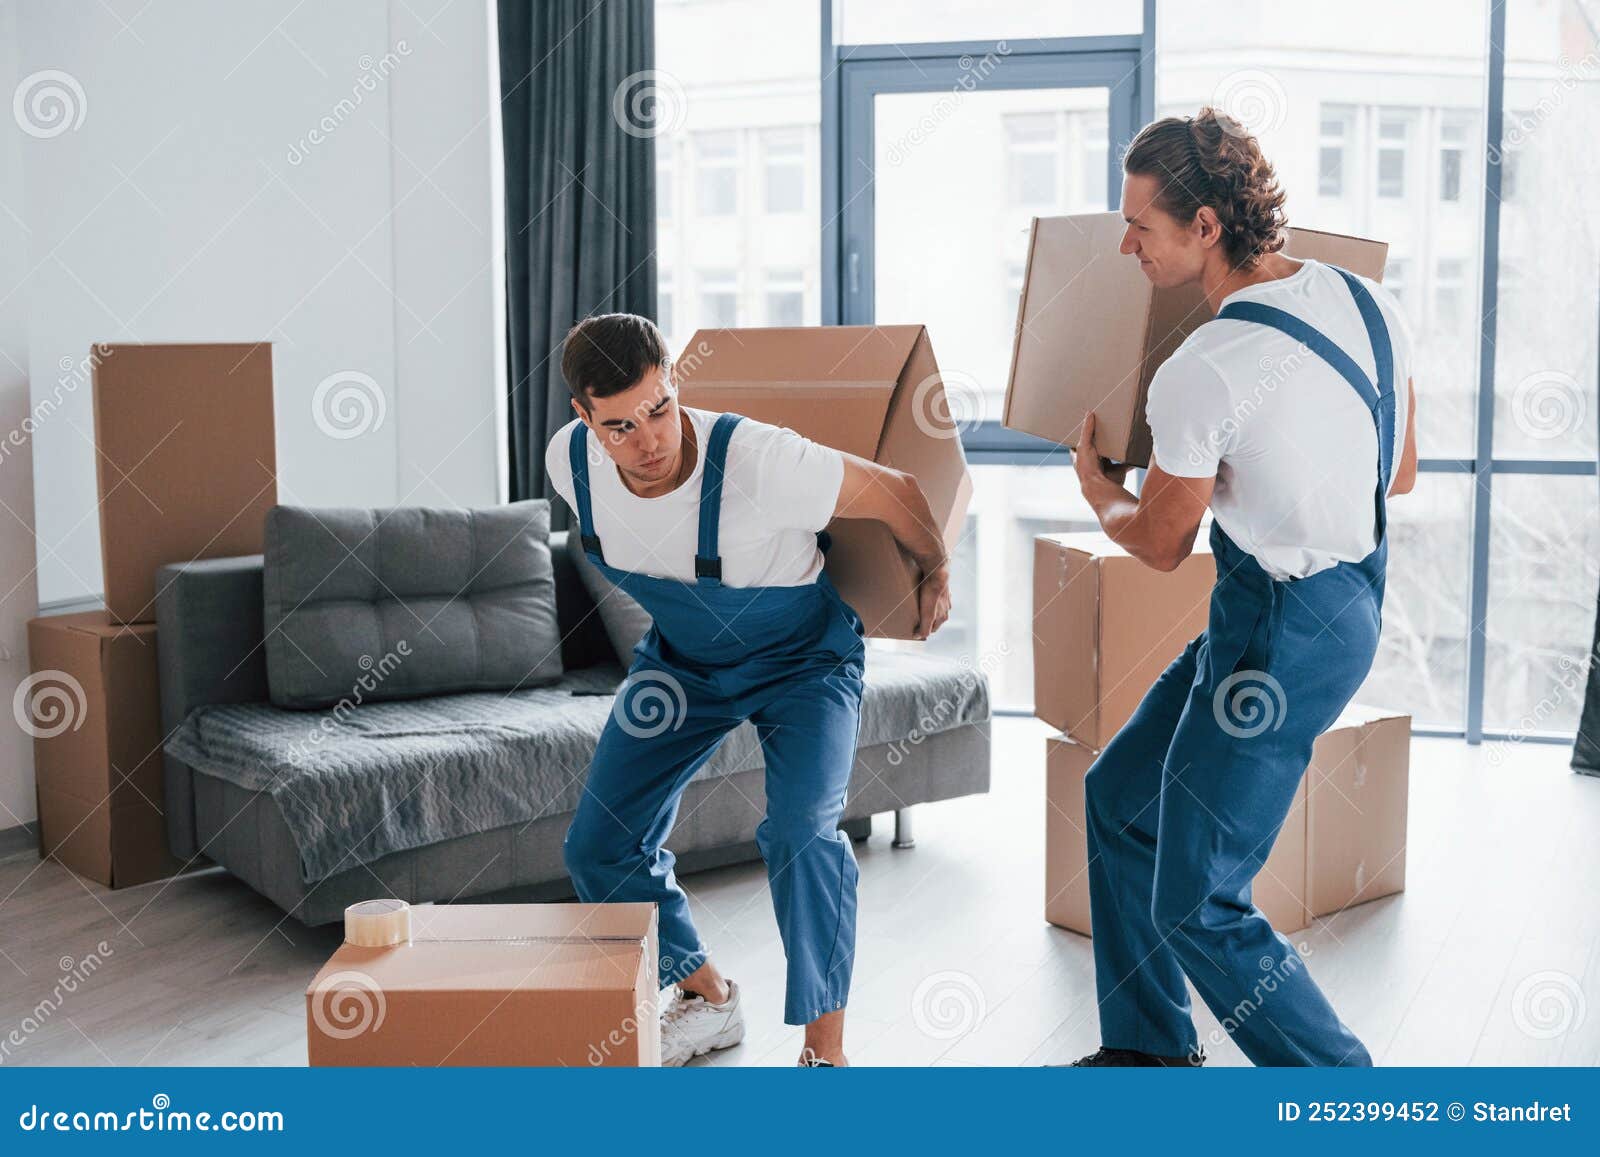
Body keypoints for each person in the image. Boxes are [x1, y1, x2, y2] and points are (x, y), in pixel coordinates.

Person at [1066, 107, 1419, 1067]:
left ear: (1207, 226)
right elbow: (1401, 472)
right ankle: (1148, 1056)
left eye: (1141, 223)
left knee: (1198, 896)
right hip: (1343, 600)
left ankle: (1346, 1096)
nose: (1126, 242)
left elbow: (1160, 544)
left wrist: (1103, 493)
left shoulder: (1203, 368)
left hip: (1275, 626)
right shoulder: (1360, 299)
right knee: (1120, 798)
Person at [547, 313, 952, 1067]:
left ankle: (824, 1057)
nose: (649, 440)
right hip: (684, 665)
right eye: (621, 425)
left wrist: (936, 568)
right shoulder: (568, 463)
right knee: (597, 845)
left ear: (673, 378)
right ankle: (707, 994)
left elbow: (897, 492)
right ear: (584, 417)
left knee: (803, 832)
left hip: (805, 660)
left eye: (659, 407)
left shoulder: (760, 461)